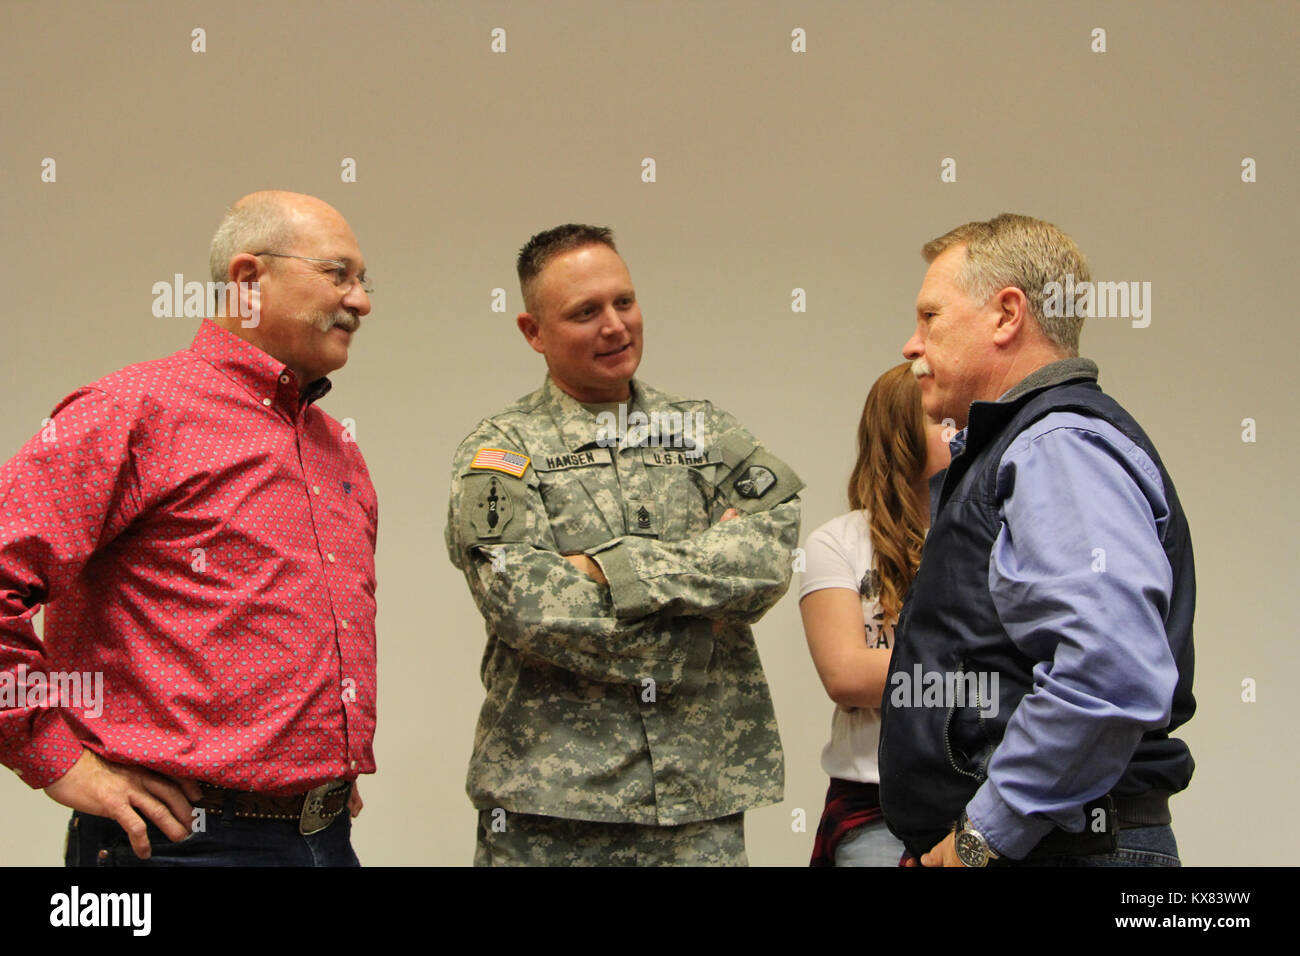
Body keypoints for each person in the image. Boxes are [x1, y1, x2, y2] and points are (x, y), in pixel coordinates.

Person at [0, 190, 376, 866]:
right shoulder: (132, 413)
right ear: (248, 279)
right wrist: (57, 760)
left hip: (323, 840)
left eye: (364, 281)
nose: (361, 301)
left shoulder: (337, 452)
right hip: (177, 847)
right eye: (338, 274)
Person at [445, 224, 802, 866]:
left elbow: (770, 552)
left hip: (701, 795)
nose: (615, 326)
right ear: (533, 332)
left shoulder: (702, 430)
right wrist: (696, 634)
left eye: (624, 302)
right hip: (554, 807)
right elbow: (526, 605)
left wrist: (618, 569)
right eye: (586, 313)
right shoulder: (501, 450)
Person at [878, 213, 1195, 867]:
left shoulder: (1055, 446)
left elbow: (1109, 672)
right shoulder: (1025, 446)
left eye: (930, 317)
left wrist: (979, 840)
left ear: (1005, 315)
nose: (911, 345)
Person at [799, 363, 949, 866]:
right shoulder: (837, 543)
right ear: (899, 435)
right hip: (876, 806)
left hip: (981, 802)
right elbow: (847, 675)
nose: (962, 432)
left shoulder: (996, 536)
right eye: (942, 420)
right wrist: (979, 677)